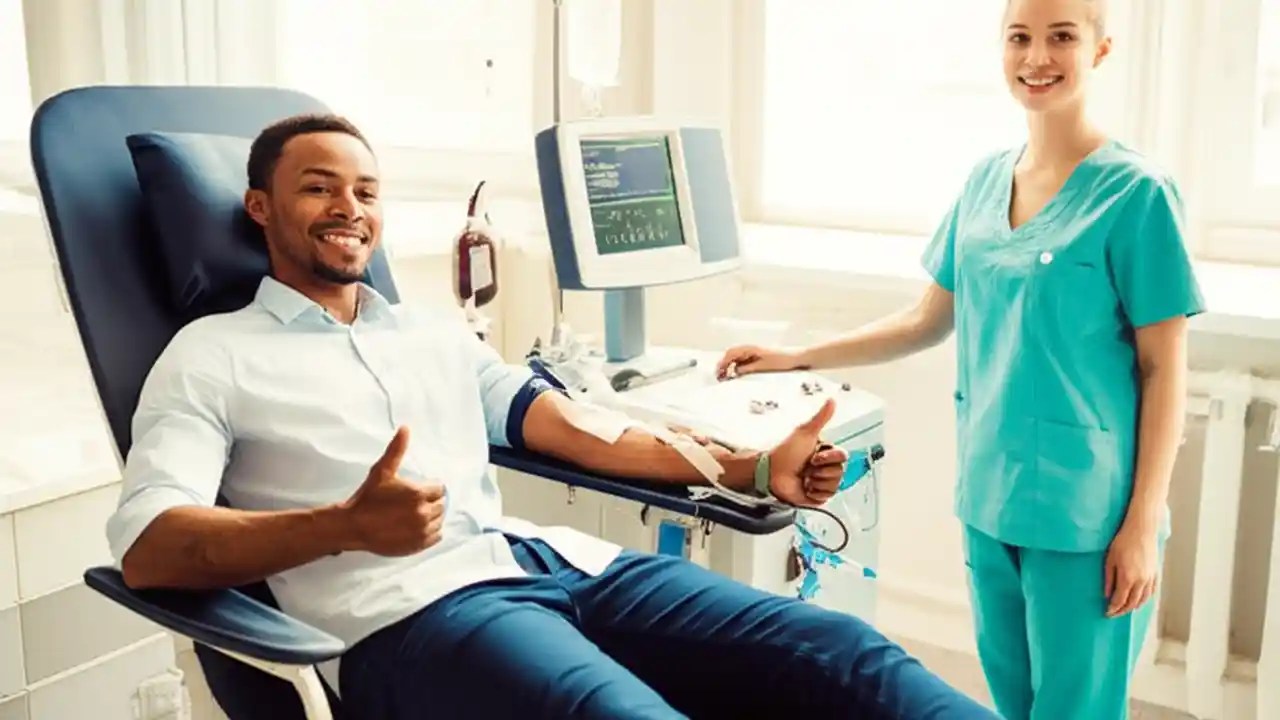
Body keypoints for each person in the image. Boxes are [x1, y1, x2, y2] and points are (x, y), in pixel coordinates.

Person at [105, 113, 999, 720]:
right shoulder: (211, 354)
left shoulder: (429, 333)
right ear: (258, 207)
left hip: (547, 564)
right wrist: (344, 527)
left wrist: (750, 470)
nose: (350, 208)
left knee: (840, 651)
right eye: (317, 187)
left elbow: (569, 427)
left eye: (367, 191)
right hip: (409, 616)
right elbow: (149, 546)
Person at [717, 0, 1204, 718]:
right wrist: (797, 355)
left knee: (1076, 710)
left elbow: (1166, 371)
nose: (1037, 57)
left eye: (1061, 36)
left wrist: (1142, 523)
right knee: (1012, 705)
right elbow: (924, 320)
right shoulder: (983, 182)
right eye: (1020, 37)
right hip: (990, 497)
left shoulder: (1138, 195)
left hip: (1088, 516)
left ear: (1100, 50)